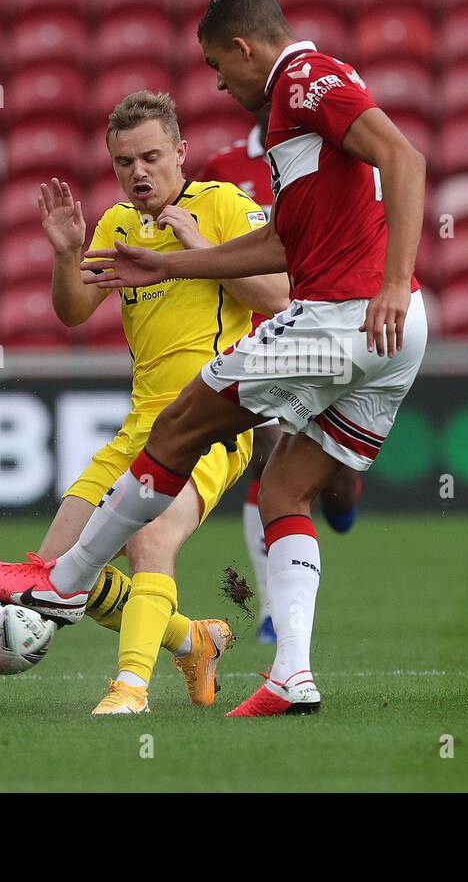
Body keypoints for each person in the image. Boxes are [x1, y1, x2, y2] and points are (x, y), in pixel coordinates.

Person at [0, 0, 429, 717]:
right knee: (283, 493)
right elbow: (87, 305)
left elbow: (389, 175)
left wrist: (393, 281)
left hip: (321, 335)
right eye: (124, 161)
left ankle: (112, 664)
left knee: (162, 492)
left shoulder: (284, 112)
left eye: (218, 65)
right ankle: (271, 671)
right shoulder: (131, 214)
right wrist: (100, 258)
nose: (218, 81)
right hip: (354, 337)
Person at [6, 91, 289, 715]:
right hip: (142, 424)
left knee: (151, 539)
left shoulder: (222, 207)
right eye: (124, 162)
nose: (138, 173)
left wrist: (197, 252)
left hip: (215, 418)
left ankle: (130, 688)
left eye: (152, 157)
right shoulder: (116, 224)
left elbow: (278, 295)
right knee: (52, 572)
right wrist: (64, 255)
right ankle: (191, 640)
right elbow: (74, 311)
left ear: (181, 153)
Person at [200, 102, 365, 644]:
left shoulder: (336, 160)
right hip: (265, 335)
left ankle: (340, 491)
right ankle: (273, 609)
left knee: (337, 487)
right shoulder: (222, 170)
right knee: (269, 459)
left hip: (332, 329)